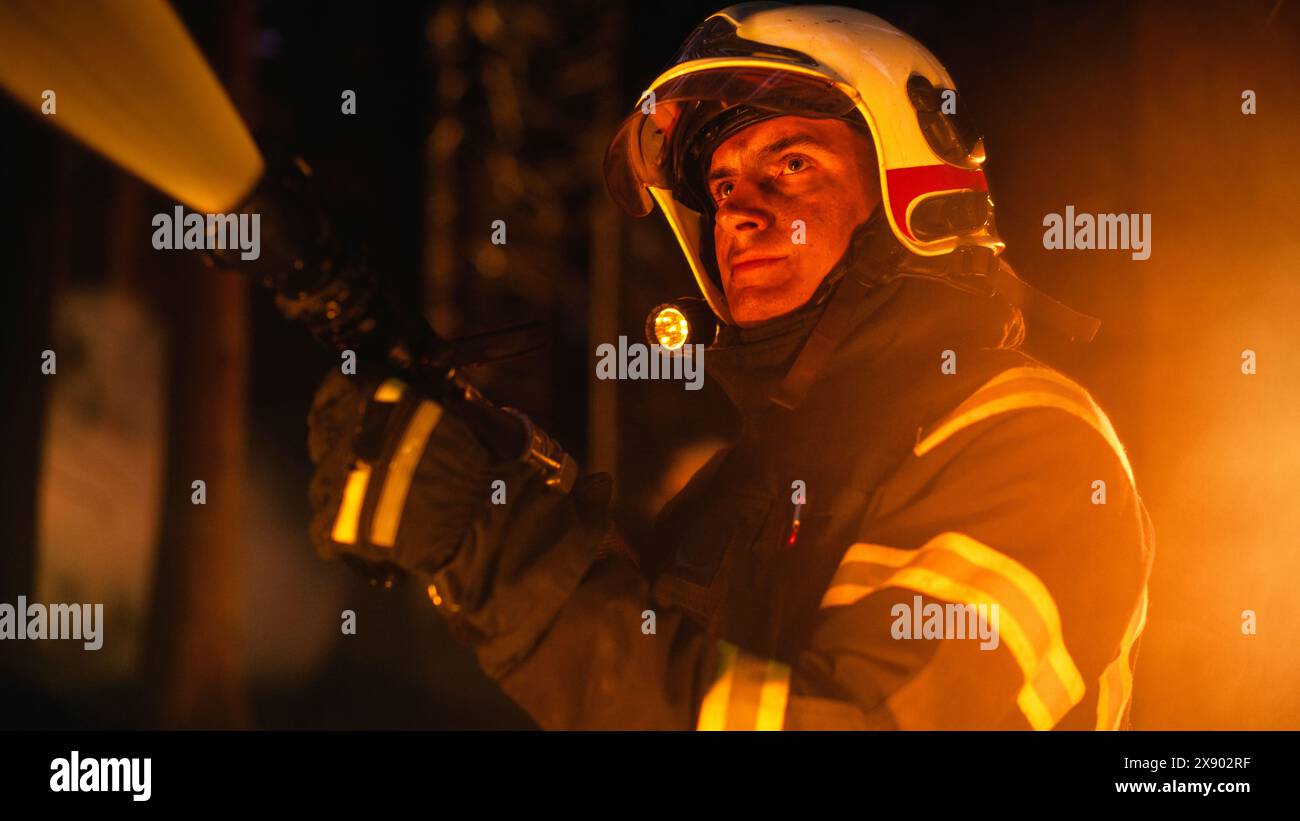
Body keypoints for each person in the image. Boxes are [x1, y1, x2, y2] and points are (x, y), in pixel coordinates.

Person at [306, 3, 1154, 730]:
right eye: (719, 187)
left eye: (792, 164)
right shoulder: (751, 479)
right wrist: (494, 487)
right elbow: (638, 672)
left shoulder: (1033, 445)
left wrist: (501, 559)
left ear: (913, 198)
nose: (741, 210)